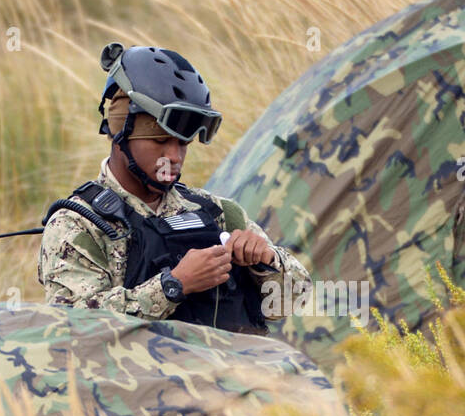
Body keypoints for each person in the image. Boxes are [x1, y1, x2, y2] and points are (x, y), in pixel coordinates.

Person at [37, 43, 312, 336]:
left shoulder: (217, 213)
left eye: (183, 143)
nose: (174, 156)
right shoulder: (78, 225)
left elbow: (297, 300)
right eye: (159, 141)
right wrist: (173, 285)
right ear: (120, 133)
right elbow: (73, 328)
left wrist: (266, 262)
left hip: (233, 376)